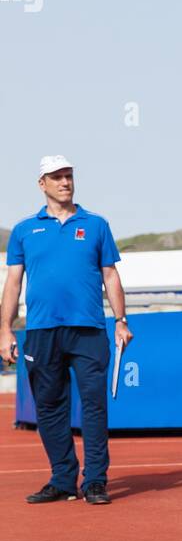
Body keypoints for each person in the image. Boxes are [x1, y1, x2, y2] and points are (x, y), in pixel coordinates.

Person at [0, 157, 133, 504]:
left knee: (94, 405)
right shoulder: (24, 230)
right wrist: (5, 330)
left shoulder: (96, 224)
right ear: (41, 183)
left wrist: (121, 321)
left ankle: (94, 481)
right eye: (57, 177)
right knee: (49, 407)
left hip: (88, 330)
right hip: (42, 331)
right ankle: (61, 479)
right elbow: (13, 283)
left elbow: (110, 275)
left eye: (69, 176)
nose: (65, 182)